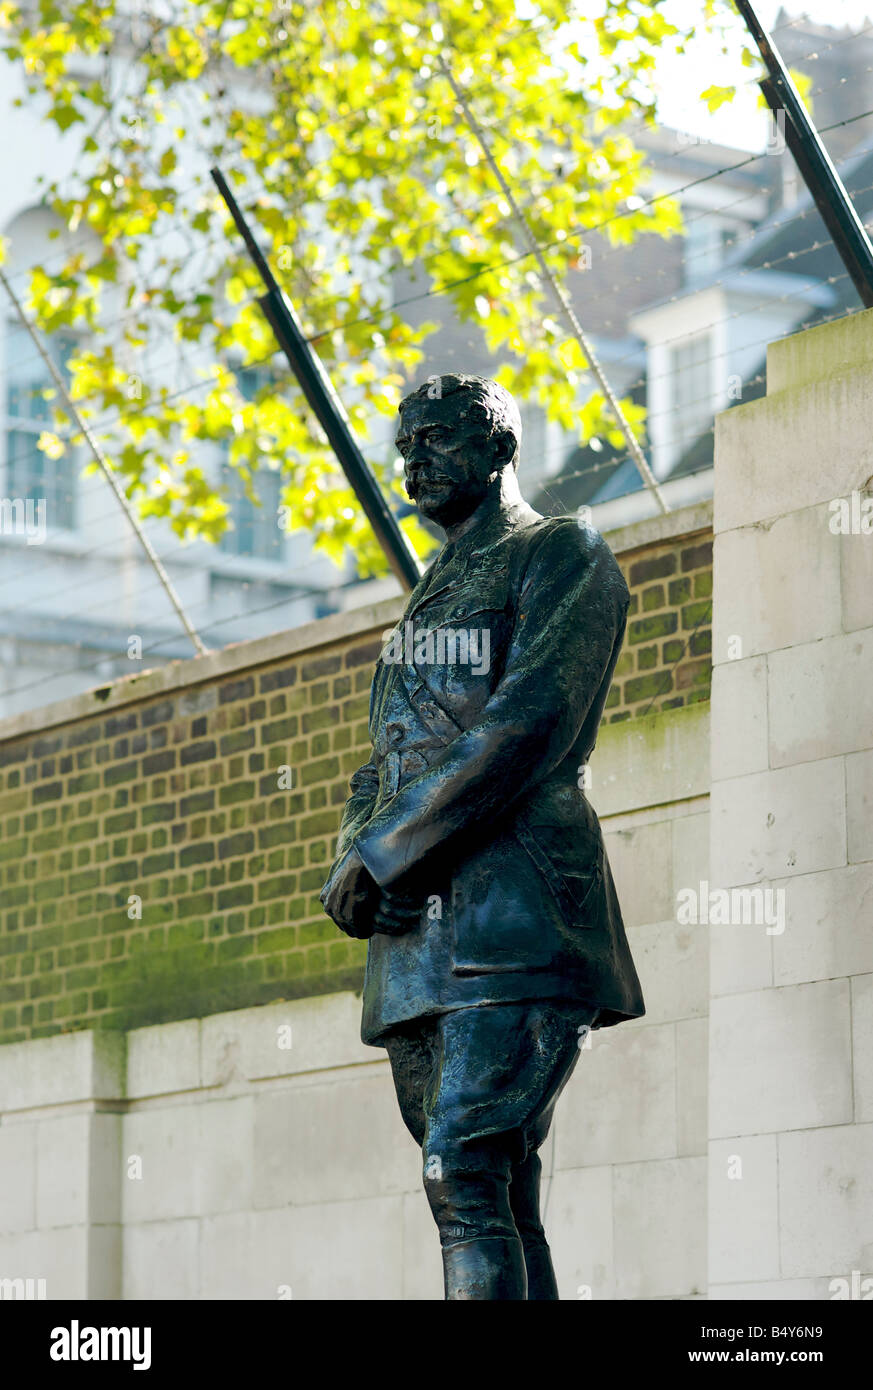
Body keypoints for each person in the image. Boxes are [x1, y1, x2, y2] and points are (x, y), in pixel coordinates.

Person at [320, 374, 644, 1300]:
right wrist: (351, 855)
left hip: (517, 907)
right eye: (404, 446)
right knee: (494, 1187)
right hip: (415, 936)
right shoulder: (426, 598)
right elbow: (379, 763)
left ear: (501, 447)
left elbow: (527, 727)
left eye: (437, 438)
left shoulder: (561, 551)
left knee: (461, 1164)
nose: (413, 461)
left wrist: (387, 851)